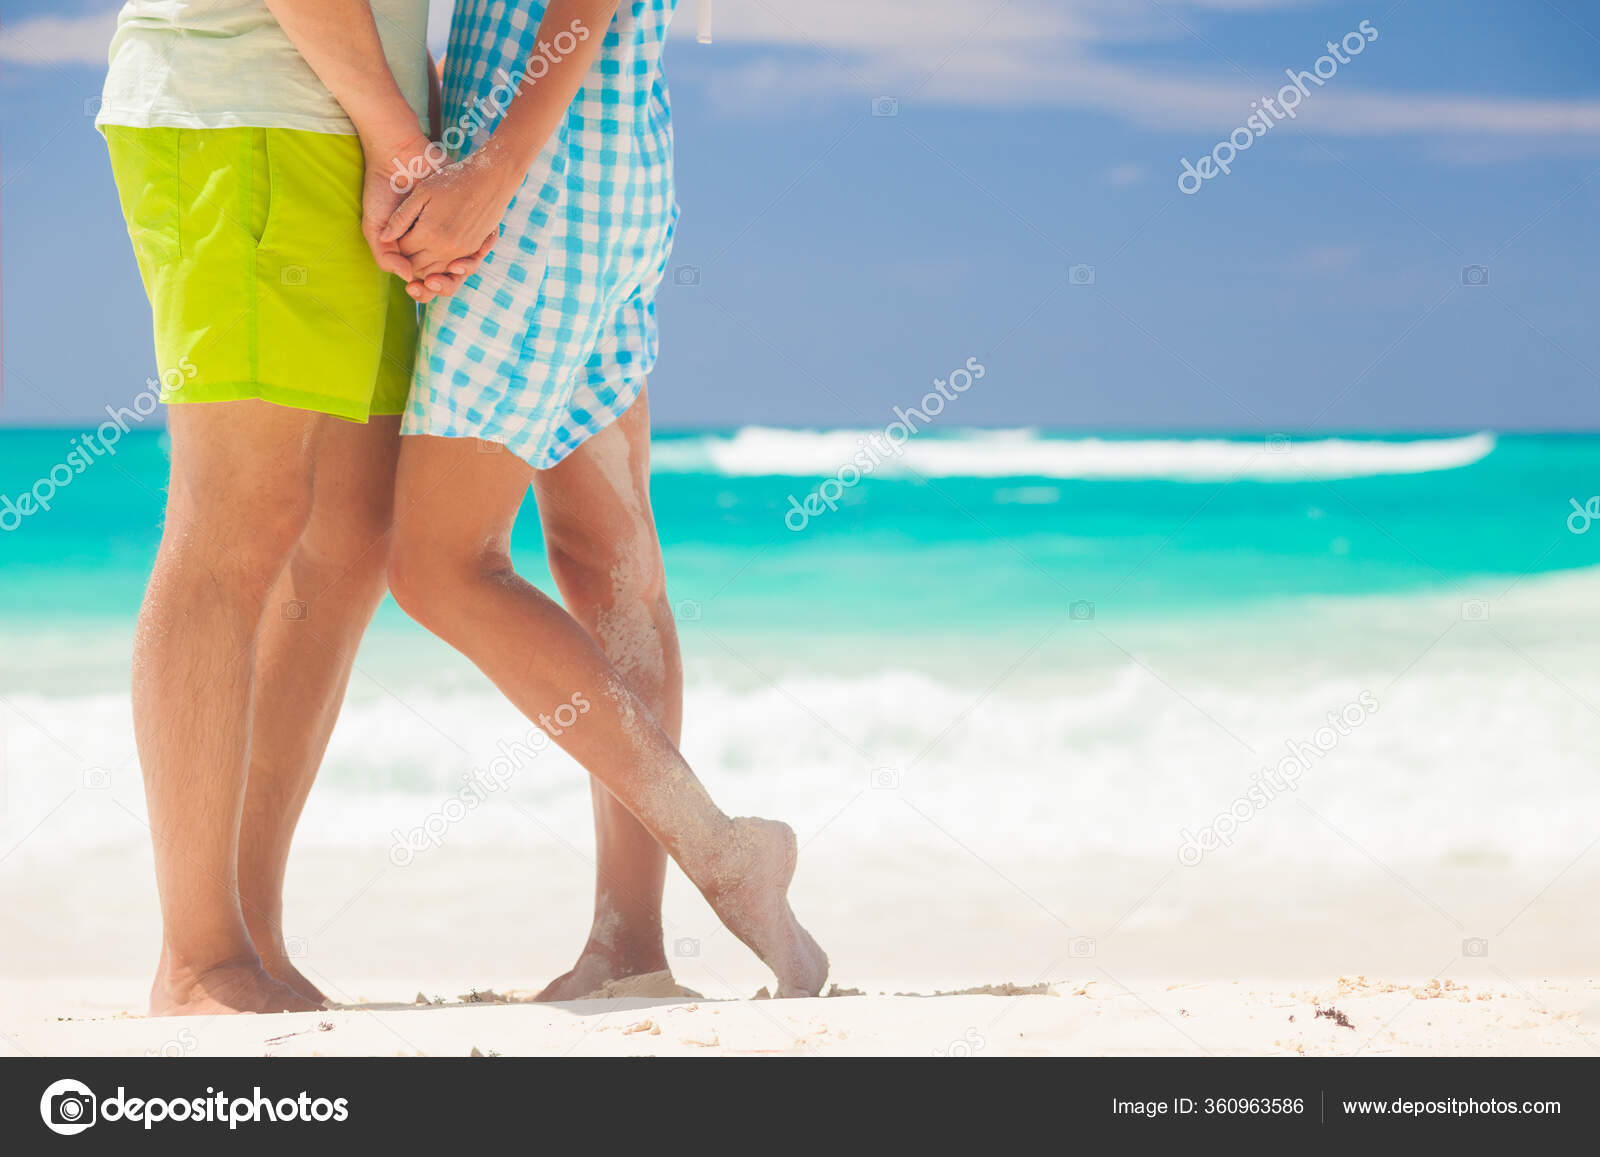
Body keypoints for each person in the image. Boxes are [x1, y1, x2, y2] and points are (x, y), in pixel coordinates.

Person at [380, 0, 829, 999]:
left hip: (537, 180)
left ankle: (719, 849)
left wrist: (490, 170)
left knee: (440, 567)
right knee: (605, 567)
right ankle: (629, 945)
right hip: (614, 166)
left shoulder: (515, 168)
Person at [98, 0, 488, 1015]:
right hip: (245, 112)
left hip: (357, 128)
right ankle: (197, 954)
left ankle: (250, 930)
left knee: (349, 537)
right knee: (238, 516)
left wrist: (422, 154)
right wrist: (404, 146)